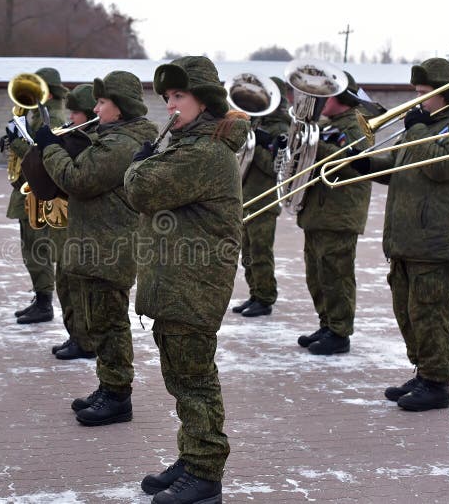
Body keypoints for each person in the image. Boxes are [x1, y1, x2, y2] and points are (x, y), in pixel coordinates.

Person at [125, 56, 249, 504]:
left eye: (179, 96)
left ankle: (205, 474)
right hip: (177, 280)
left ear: (204, 100)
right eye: (166, 98)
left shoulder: (204, 153)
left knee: (194, 380)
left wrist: (138, 164)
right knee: (181, 378)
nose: (170, 106)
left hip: (192, 284)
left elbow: (141, 190)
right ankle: (191, 455)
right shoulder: (186, 144)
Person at [354, 58, 449, 411]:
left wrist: (417, 130)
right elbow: (401, 168)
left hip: (436, 239)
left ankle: (437, 384)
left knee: (429, 312)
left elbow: (442, 167)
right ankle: (424, 370)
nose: (418, 101)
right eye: (417, 93)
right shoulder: (426, 126)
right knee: (407, 311)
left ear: (445, 94)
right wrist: (366, 165)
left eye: (425, 94)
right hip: (407, 238)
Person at [37, 70, 157, 426]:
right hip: (98, 243)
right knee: (100, 321)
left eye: (102, 102)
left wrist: (49, 148)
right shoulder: (113, 135)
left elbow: (79, 179)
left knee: (109, 323)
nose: (96, 107)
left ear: (118, 109)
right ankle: (108, 386)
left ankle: (118, 396)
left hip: (109, 246)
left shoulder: (122, 143)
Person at [295, 71, 372, 356]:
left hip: (340, 211)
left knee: (336, 274)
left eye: (324, 95)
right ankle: (327, 323)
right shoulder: (326, 124)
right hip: (317, 210)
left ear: (340, 96)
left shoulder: (357, 124)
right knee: (316, 274)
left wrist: (314, 147)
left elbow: (359, 163)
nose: (318, 101)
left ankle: (340, 332)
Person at [3, 67, 68, 325]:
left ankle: (44, 305)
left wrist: (16, 141)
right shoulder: (40, 117)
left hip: (39, 195)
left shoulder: (52, 119)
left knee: (37, 250)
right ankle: (40, 299)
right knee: (31, 249)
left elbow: (40, 157)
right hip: (30, 191)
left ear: (48, 93)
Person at [231, 75, 290, 318]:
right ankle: (255, 293)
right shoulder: (255, 124)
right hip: (247, 197)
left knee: (261, 252)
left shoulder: (281, 128)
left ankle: (265, 298)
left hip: (265, 200)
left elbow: (277, 167)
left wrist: (259, 147)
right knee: (247, 252)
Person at [51, 83, 98, 360]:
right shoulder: (75, 135)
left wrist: (57, 149)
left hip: (86, 226)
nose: (71, 119)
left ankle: (85, 339)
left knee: (79, 288)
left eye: (76, 113)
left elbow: (77, 177)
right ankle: (75, 335)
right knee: (65, 282)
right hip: (70, 222)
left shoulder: (94, 142)